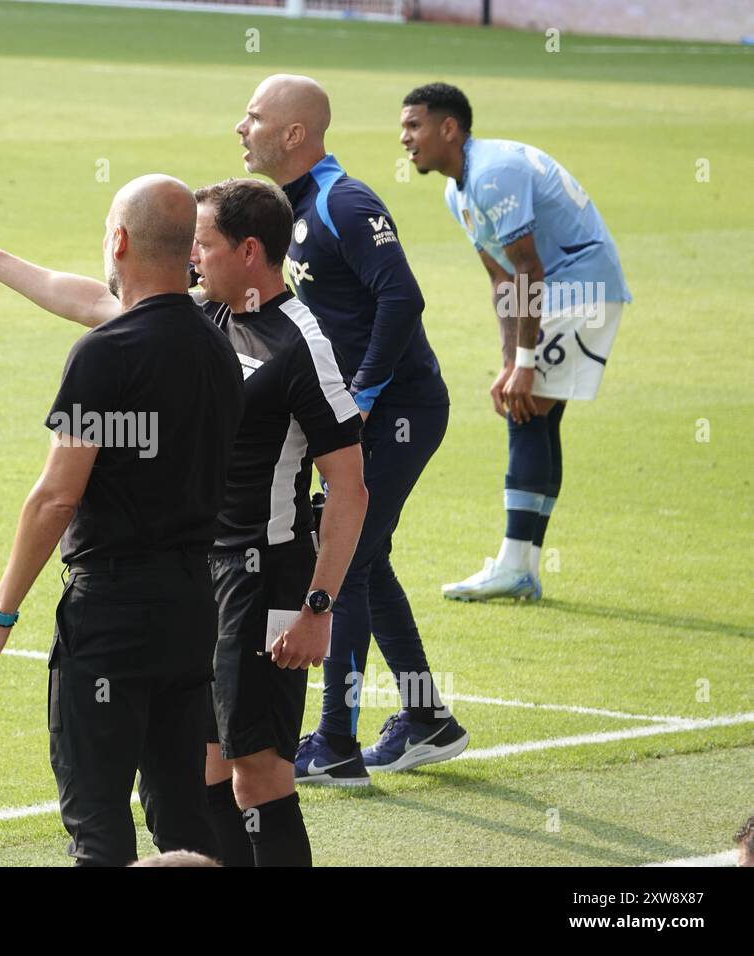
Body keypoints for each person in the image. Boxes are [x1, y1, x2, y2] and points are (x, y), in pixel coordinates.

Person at [0, 177, 368, 867]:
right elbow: (97, 301)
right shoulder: (211, 332)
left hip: (245, 582)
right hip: (197, 590)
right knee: (198, 782)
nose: (195, 257)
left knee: (238, 774)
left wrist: (317, 603)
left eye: (207, 245)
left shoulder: (284, 342)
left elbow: (350, 486)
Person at [0, 174, 244, 867]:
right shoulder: (214, 344)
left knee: (99, 824)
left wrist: (0, 615)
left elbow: (55, 497)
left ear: (119, 240)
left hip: (113, 614)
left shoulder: (107, 356)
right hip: (193, 608)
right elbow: (95, 301)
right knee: (183, 814)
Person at [235, 74, 468, 782]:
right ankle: (427, 717)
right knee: (367, 557)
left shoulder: (344, 200)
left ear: (294, 133)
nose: (240, 128)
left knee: (347, 562)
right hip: (365, 411)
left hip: (401, 410)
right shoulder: (290, 206)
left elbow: (403, 296)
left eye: (252, 116)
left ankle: (335, 742)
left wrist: (363, 391)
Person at [399, 82, 631, 602]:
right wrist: (510, 359)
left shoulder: (492, 174)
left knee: (524, 406)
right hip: (567, 288)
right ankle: (523, 564)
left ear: (449, 128)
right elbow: (502, 278)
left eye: (414, 126)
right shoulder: (457, 187)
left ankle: (513, 562)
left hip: (580, 286)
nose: (404, 138)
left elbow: (529, 268)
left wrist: (525, 363)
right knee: (534, 409)